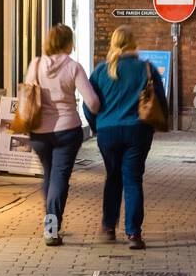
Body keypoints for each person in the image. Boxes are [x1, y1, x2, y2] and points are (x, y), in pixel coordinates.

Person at [85, 26, 167, 250]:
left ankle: (108, 227)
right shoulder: (146, 68)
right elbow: (160, 100)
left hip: (108, 132)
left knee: (112, 177)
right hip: (137, 131)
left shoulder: (102, 70)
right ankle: (133, 234)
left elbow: (88, 105)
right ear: (133, 43)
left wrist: (97, 127)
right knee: (132, 180)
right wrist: (156, 125)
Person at [26, 24, 99, 246]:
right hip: (67, 130)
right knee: (59, 178)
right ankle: (51, 228)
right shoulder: (73, 67)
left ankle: (51, 224)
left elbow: (27, 94)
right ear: (69, 43)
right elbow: (93, 103)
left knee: (49, 175)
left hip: (39, 132)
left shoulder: (36, 64)